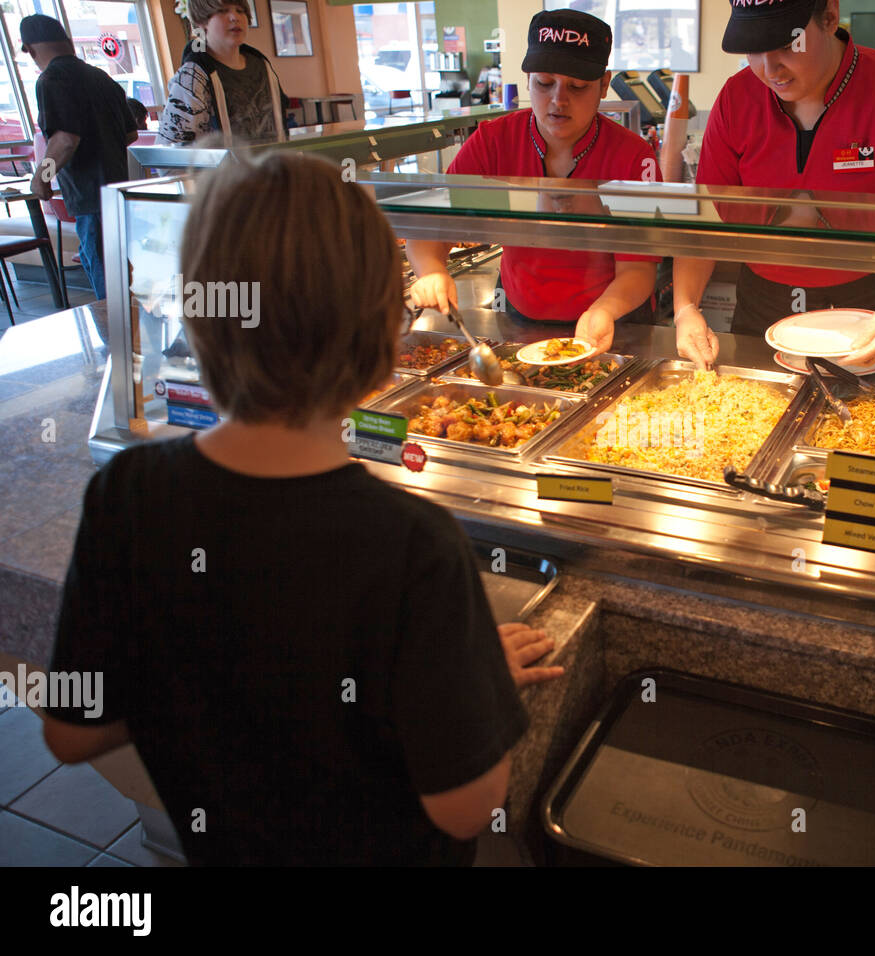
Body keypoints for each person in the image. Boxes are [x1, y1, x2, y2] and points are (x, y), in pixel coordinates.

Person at [41, 152, 562, 866]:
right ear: (387, 345)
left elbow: (72, 733)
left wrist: (208, 689)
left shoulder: (125, 494)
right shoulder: (415, 543)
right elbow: (468, 807)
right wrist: (470, 681)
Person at [673, 0, 875, 370]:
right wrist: (685, 307)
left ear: (829, 17)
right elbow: (704, 224)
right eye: (754, 48)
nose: (768, 68)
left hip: (869, 310)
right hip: (760, 303)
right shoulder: (736, 99)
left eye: (785, 45)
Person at [406, 9, 660, 354]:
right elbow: (429, 227)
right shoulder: (493, 141)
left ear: (603, 85)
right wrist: (431, 270)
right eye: (544, 83)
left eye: (577, 86)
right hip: (520, 317)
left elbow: (638, 268)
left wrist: (604, 310)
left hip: (615, 317)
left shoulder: (634, 155)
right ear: (527, 79)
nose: (558, 99)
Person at [21, 14, 138, 302]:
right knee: (125, 279)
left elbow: (64, 140)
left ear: (31, 50)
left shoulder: (51, 80)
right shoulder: (101, 77)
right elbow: (130, 134)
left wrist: (41, 177)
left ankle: (118, 342)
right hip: (119, 192)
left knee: (108, 288)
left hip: (90, 197)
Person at [159, 0, 289, 145]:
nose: (234, 17)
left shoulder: (261, 65)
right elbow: (172, 148)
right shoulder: (193, 75)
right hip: (221, 167)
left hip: (267, 165)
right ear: (201, 21)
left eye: (240, 11)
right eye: (222, 11)